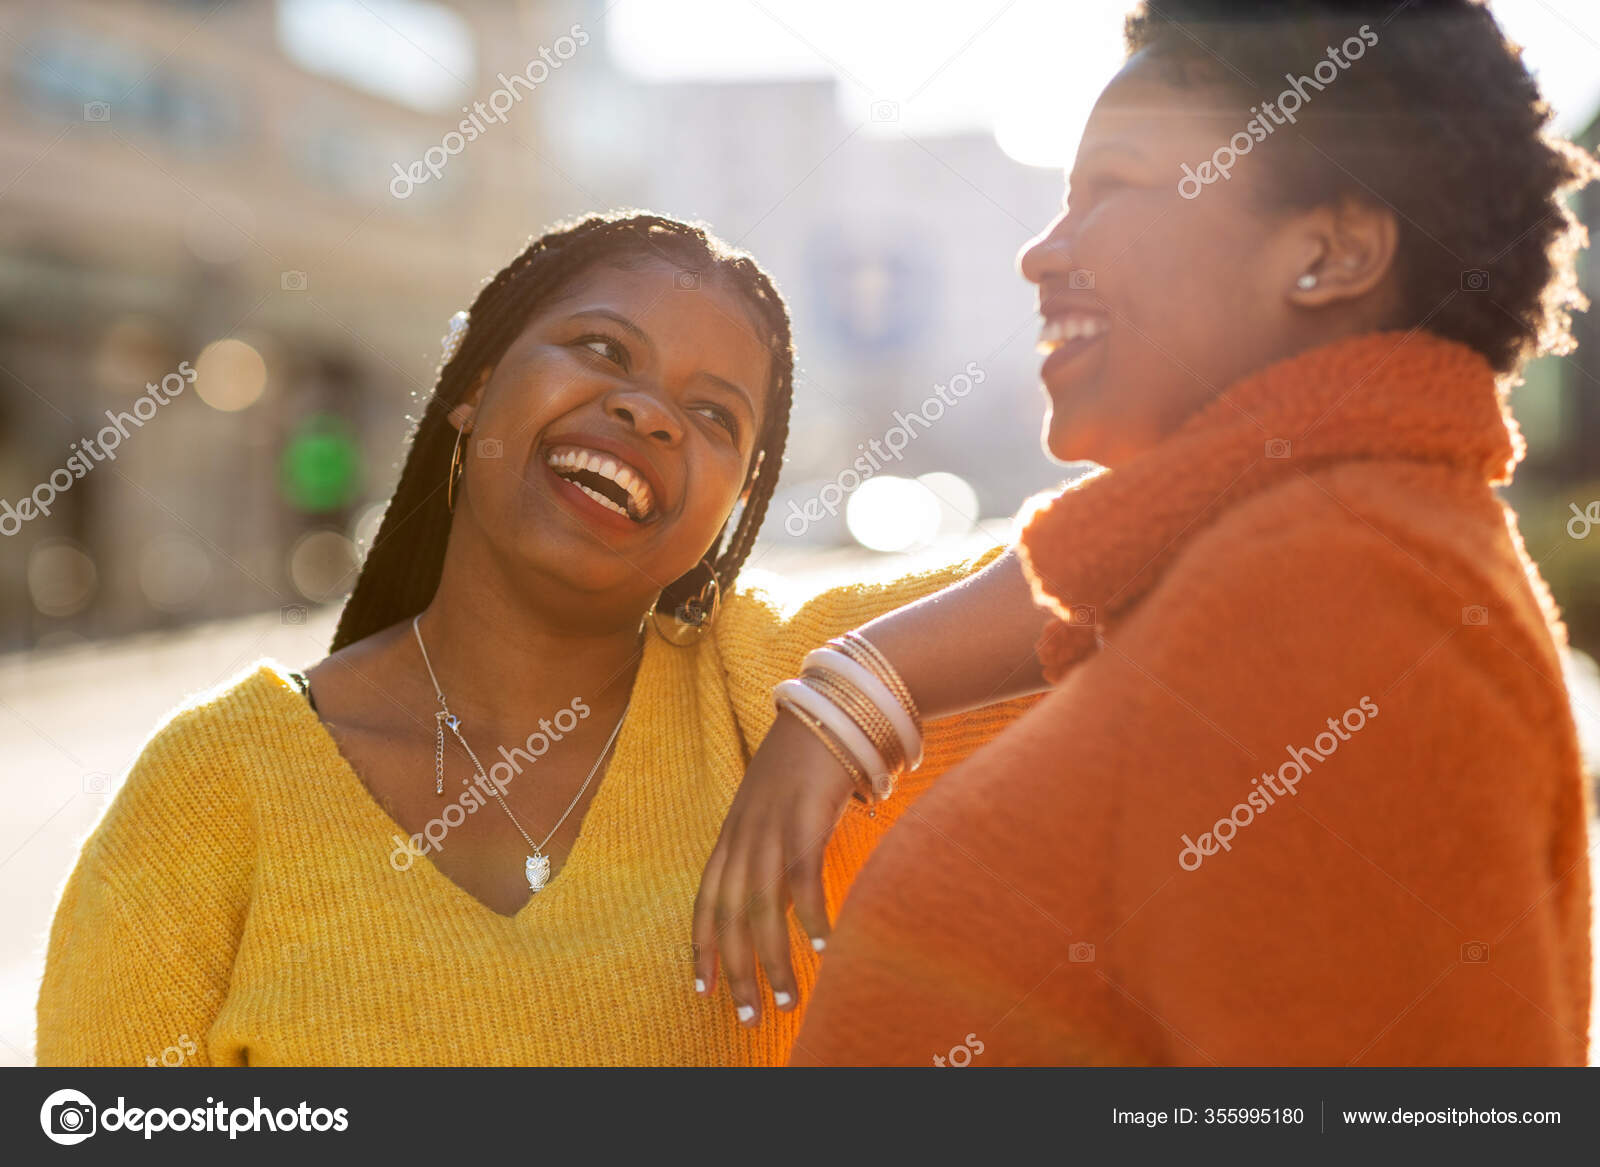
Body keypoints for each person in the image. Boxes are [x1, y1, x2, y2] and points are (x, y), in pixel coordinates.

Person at [701, 0, 1597, 1065]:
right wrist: (852, 691)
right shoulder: (1296, 558)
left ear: (1330, 251)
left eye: (1111, 189)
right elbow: (1099, 560)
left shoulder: (1341, 601)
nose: (1042, 253)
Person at [35, 211, 1047, 1067]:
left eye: (712, 414)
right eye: (603, 350)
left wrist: (850, 700)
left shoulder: (770, 685)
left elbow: (1169, 532)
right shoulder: (210, 791)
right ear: (473, 386)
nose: (646, 411)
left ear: (736, 505)